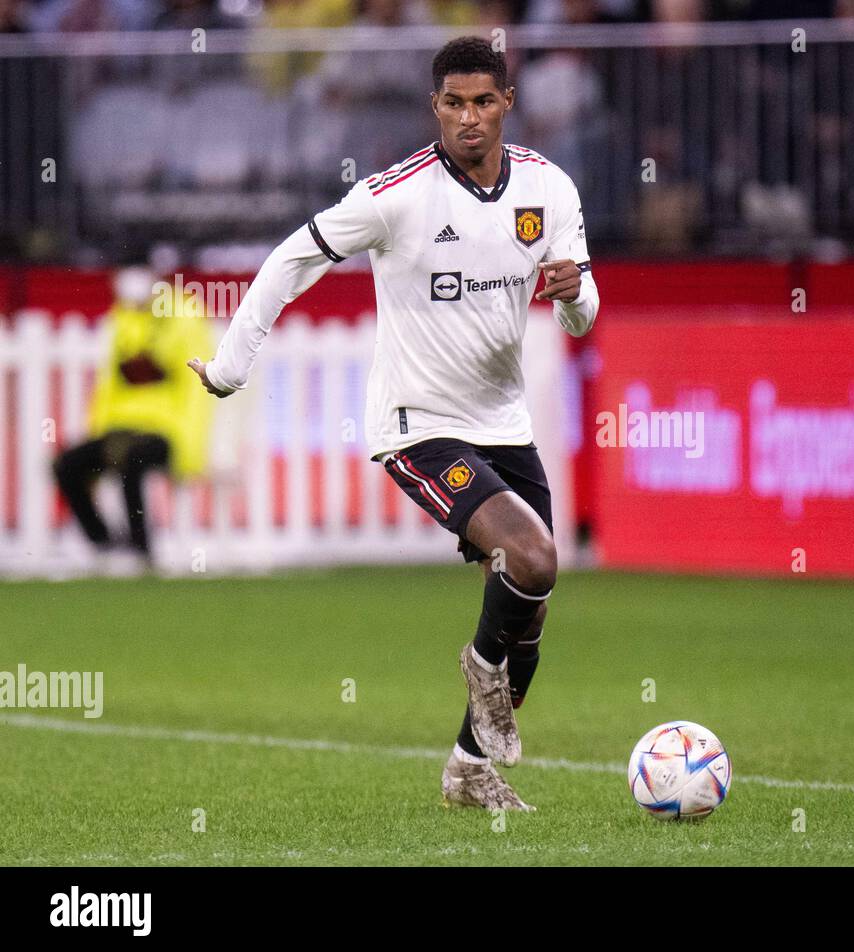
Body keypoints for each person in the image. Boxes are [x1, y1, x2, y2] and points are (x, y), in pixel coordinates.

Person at [189, 36, 599, 812]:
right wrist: (232, 365)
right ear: (434, 107)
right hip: (419, 425)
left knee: (531, 608)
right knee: (536, 558)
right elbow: (291, 259)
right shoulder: (396, 194)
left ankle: (468, 770)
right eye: (454, 103)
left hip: (503, 422)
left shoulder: (549, 189)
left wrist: (576, 294)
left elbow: (582, 317)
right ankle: (480, 666)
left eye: (484, 101)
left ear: (508, 102)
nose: (469, 118)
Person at [54, 267, 213, 570]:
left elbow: (196, 392)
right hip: (121, 429)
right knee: (66, 464)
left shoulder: (185, 317)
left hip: (166, 429)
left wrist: (190, 448)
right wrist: (99, 434)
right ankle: (104, 542)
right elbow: (108, 388)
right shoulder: (121, 319)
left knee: (130, 458)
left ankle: (142, 550)